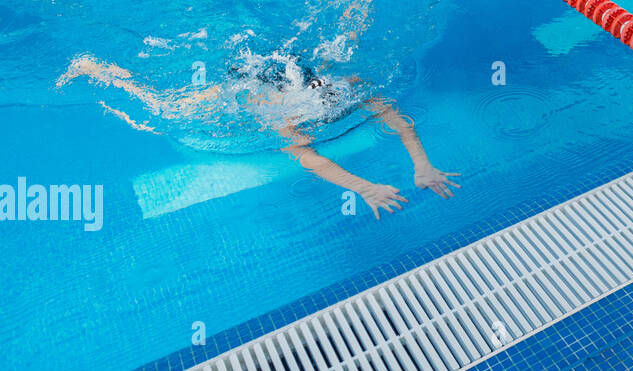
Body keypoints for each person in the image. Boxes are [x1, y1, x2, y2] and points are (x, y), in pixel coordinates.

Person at [60, 53, 460, 220]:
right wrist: (363, 187)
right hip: (241, 83)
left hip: (289, 75)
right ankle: (99, 69)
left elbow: (396, 117)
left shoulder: (338, 87)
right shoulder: (273, 110)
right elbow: (306, 157)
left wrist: (422, 166)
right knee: (166, 105)